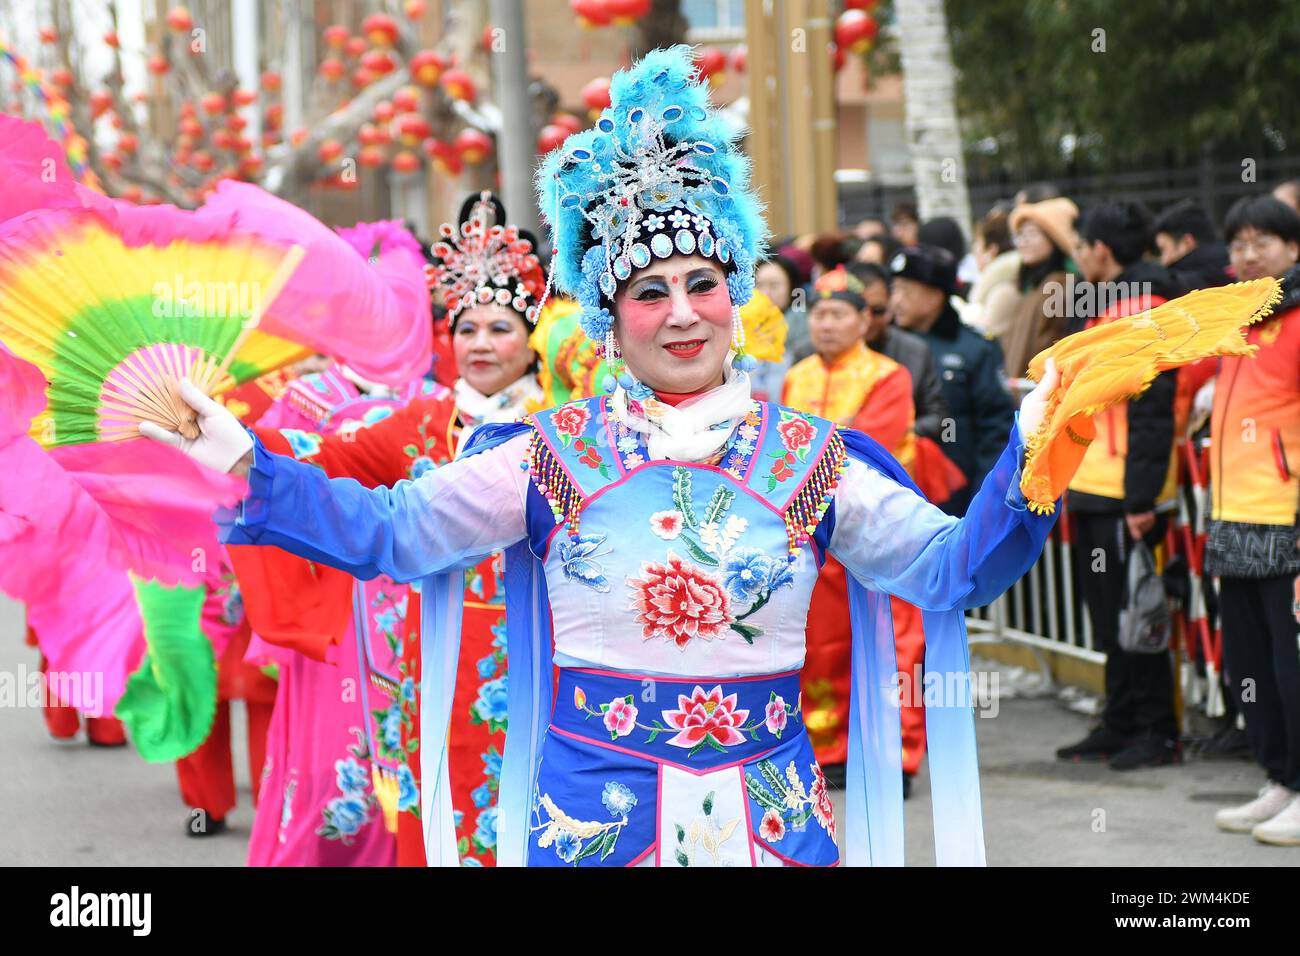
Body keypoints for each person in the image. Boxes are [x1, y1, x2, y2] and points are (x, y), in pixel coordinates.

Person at [148, 46, 1066, 867]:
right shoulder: (551, 456)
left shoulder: (812, 461)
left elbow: (951, 572)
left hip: (771, 826)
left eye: (703, 285)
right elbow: (393, 536)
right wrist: (246, 463)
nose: (680, 313)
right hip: (596, 826)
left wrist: (1033, 454)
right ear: (606, 318)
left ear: (736, 297)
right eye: (648, 292)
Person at [227, 203, 549, 866]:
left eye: (499, 327)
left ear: (532, 340)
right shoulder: (422, 423)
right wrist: (234, 442)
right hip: (430, 650)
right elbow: (322, 459)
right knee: (432, 807)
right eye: (466, 328)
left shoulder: (568, 429)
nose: (480, 343)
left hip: (540, 654)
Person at [782, 267, 931, 795]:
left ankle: (899, 753)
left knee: (895, 642)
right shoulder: (796, 375)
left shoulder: (888, 374)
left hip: (879, 529)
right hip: (813, 529)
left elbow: (872, 446)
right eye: (819, 314)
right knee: (822, 642)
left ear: (865, 320)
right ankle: (830, 748)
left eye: (839, 314)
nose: (826, 325)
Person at [1056, 199, 1182, 771]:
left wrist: (1141, 497)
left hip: (1124, 492)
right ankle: (1121, 719)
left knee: (1138, 614)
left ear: (1101, 251)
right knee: (1110, 615)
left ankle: (1158, 731)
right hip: (1094, 483)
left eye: (1082, 247)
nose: (1079, 257)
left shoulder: (1141, 306)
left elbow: (1153, 410)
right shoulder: (1113, 303)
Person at [1207, 196, 1300, 846]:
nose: (1246, 254)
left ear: (1292, 248)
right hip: (1231, 514)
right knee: (1250, 658)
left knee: (1291, 660)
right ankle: (1280, 779)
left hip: (1285, 517)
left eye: (1261, 240)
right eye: (1237, 244)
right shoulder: (1236, 319)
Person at [890, 244, 1015, 515]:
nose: (895, 301)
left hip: (957, 494)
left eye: (906, 291)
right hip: (896, 489)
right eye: (894, 289)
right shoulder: (886, 346)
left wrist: (984, 495)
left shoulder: (975, 348)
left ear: (935, 296)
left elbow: (995, 427)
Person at [848, 262, 950, 448]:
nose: (868, 320)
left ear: (890, 307)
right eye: (860, 311)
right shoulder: (811, 358)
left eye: (877, 311)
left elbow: (938, 418)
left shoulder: (914, 351)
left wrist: (892, 429)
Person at [999, 197, 1079, 380]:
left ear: (1055, 240)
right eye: (1020, 235)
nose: (1023, 241)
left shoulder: (1058, 285)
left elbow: (1049, 345)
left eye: (1032, 233)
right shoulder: (1034, 286)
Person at [963, 204, 1020, 341]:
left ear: (992, 249)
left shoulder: (1003, 291)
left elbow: (985, 336)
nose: (975, 250)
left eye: (977, 242)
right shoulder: (1000, 284)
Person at [1152, 200, 1230, 296]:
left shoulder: (1178, 284)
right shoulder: (1235, 267)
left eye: (1163, 249)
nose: (1162, 261)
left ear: (1187, 243)